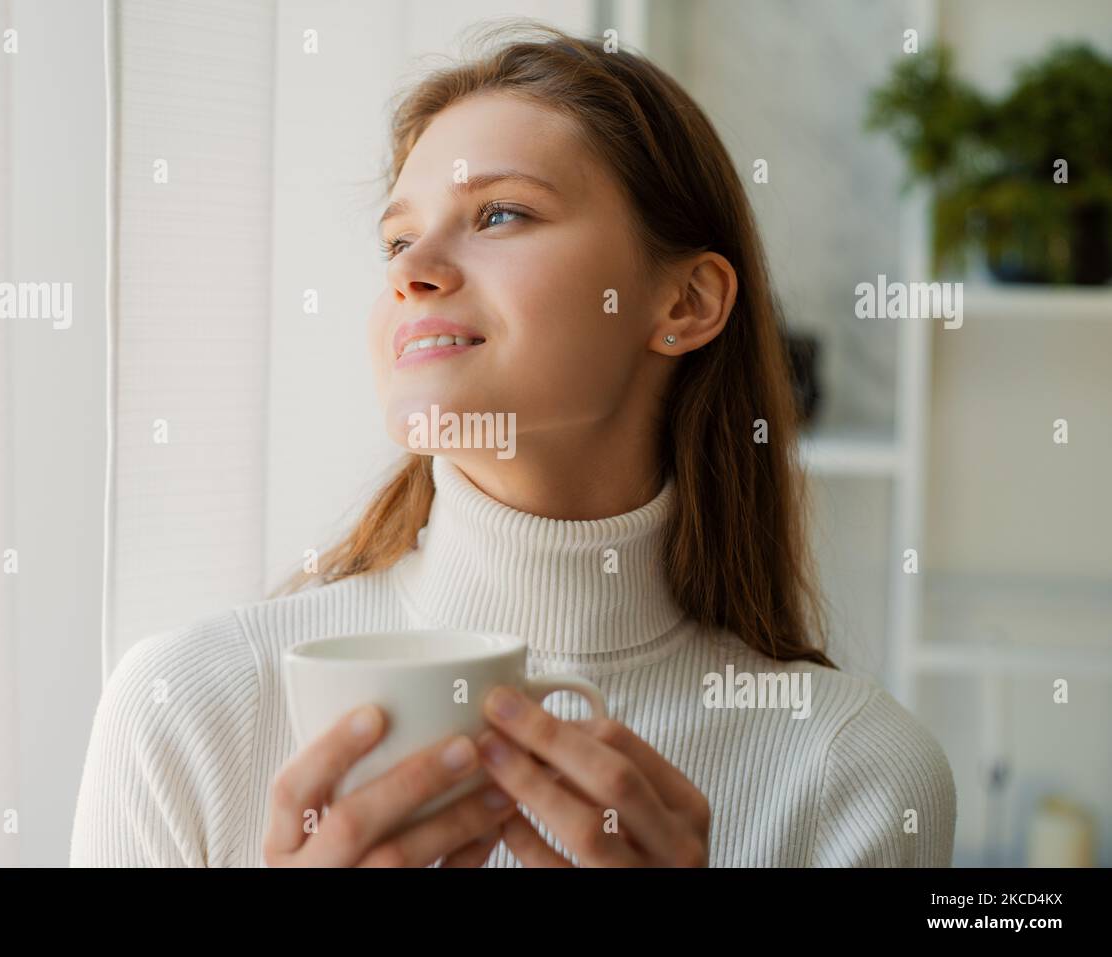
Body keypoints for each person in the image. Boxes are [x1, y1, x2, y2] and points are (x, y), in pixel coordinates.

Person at [70, 22, 956, 868]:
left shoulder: (861, 779)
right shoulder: (187, 710)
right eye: (398, 237)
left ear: (685, 304)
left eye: (498, 214)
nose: (411, 271)